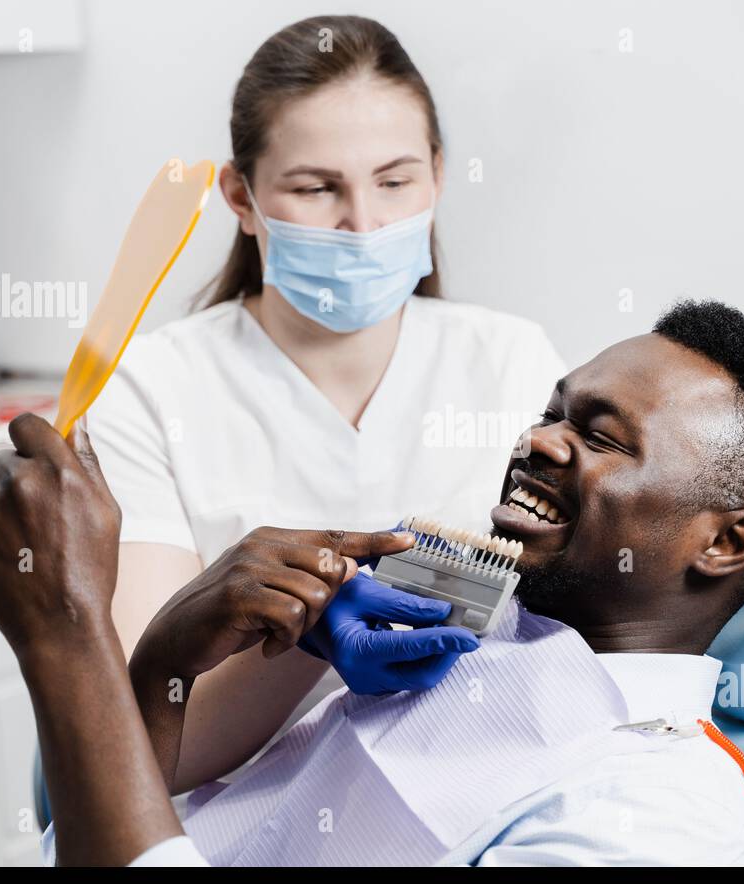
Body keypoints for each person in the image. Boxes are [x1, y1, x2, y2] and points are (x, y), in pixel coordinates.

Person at [0, 300, 744, 866]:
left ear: (726, 542)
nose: (539, 441)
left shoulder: (654, 815)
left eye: (602, 436)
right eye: (552, 411)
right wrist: (171, 652)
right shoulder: (456, 596)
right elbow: (159, 796)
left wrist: (65, 628)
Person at [88, 14, 565, 794]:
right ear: (241, 197)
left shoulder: (514, 363)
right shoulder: (148, 389)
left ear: (438, 176)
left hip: (470, 784)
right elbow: (148, 735)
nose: (365, 226)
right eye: (317, 188)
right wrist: (302, 635)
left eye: (396, 180)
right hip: (241, 813)